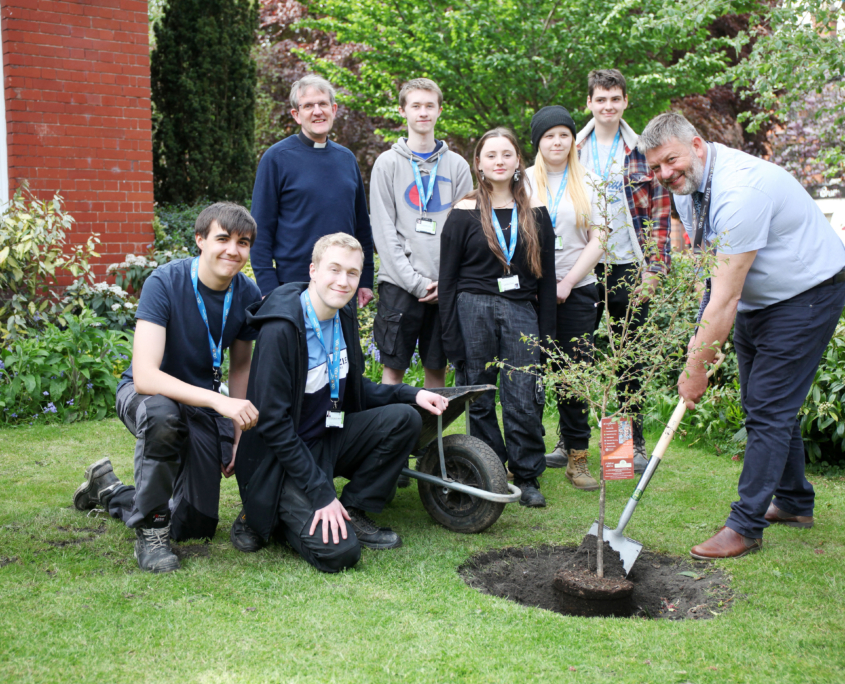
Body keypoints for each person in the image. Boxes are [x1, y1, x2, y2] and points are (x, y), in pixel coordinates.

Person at [639, 112, 845, 559]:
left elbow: (725, 297)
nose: (665, 174)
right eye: (655, 168)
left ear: (696, 145)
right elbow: (712, 276)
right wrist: (700, 340)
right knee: (761, 404)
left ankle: (745, 526)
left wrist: (695, 368)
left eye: (671, 161)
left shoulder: (740, 191)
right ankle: (793, 501)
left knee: (769, 407)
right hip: (756, 298)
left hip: (805, 295)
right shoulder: (689, 187)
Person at [234, 233, 449, 573]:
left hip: (327, 436)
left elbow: (352, 388)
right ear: (313, 270)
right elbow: (273, 425)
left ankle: (355, 508)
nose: (343, 281)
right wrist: (321, 493)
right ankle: (263, 512)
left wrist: (412, 393)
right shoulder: (281, 330)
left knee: (405, 418)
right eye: (334, 269)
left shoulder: (343, 314)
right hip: (280, 458)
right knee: (340, 553)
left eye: (352, 273)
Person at [73, 203, 263, 573]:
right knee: (163, 416)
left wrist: (240, 435)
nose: (233, 250)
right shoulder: (165, 282)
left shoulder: (247, 293)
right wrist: (220, 402)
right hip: (146, 397)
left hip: (200, 404)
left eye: (243, 242)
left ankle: (107, 488)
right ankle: (151, 532)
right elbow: (146, 375)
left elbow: (241, 366)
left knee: (195, 526)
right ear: (200, 240)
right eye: (222, 238)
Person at [439, 128, 557, 508]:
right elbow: (448, 280)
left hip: (520, 309)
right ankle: (490, 468)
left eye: (507, 154)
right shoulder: (462, 212)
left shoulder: (535, 213)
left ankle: (527, 474)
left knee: (523, 396)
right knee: (480, 396)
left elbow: (549, 277)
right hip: (472, 308)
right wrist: (451, 337)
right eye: (491, 155)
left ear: (518, 161)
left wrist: (547, 335)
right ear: (479, 163)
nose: (499, 161)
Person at [574, 68, 672, 473]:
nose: (608, 106)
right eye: (601, 99)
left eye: (615, 98)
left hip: (628, 265)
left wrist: (655, 268)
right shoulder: (571, 147)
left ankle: (633, 446)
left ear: (625, 102)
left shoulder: (641, 149)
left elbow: (660, 213)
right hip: (582, 267)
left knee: (629, 358)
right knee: (576, 353)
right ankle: (572, 442)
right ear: (589, 103)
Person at [370, 77, 473, 389]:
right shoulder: (386, 164)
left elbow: (469, 231)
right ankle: (390, 436)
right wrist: (415, 283)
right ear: (403, 111)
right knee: (393, 372)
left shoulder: (457, 167)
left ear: (440, 110)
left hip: (445, 286)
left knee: (437, 370)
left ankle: (433, 439)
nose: (423, 112)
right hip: (400, 285)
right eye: (416, 105)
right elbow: (384, 231)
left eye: (430, 105)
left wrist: (448, 281)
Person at [526, 106, 605, 492]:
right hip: (531, 292)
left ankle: (578, 458)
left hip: (578, 289)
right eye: (549, 136)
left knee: (575, 377)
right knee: (531, 376)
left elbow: (599, 240)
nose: (557, 142)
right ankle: (527, 457)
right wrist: (542, 284)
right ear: (538, 142)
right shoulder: (522, 182)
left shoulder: (590, 181)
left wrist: (568, 282)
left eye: (564, 134)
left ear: (573, 139)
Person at [250, 74, 375, 306]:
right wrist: (267, 287)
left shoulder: (346, 159)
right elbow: (260, 229)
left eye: (323, 104)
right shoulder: (276, 158)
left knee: (342, 344)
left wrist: (365, 278)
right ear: (296, 115)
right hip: (292, 286)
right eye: (308, 106)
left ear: (334, 109)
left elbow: (361, 226)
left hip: (343, 283)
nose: (317, 111)